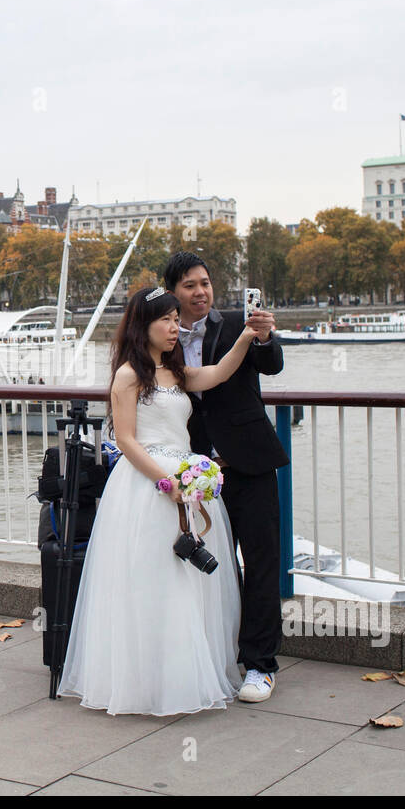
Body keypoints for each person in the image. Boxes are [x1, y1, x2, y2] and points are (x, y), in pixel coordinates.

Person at [57, 285, 259, 715]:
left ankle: (182, 676)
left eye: (175, 320)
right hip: (146, 487)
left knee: (187, 582)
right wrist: (167, 483)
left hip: (186, 480)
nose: (174, 327)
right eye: (165, 320)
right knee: (152, 580)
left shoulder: (176, 371)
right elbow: (126, 440)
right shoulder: (129, 375)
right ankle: (146, 683)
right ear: (143, 325)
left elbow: (219, 373)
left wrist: (246, 336)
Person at [165, 252, 289, 703]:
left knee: (262, 563)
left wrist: (265, 337)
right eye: (190, 285)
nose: (201, 292)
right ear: (173, 293)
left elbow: (272, 365)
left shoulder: (240, 322)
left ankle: (260, 664)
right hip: (198, 474)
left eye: (205, 283)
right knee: (211, 567)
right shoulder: (163, 336)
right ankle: (215, 655)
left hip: (250, 464)